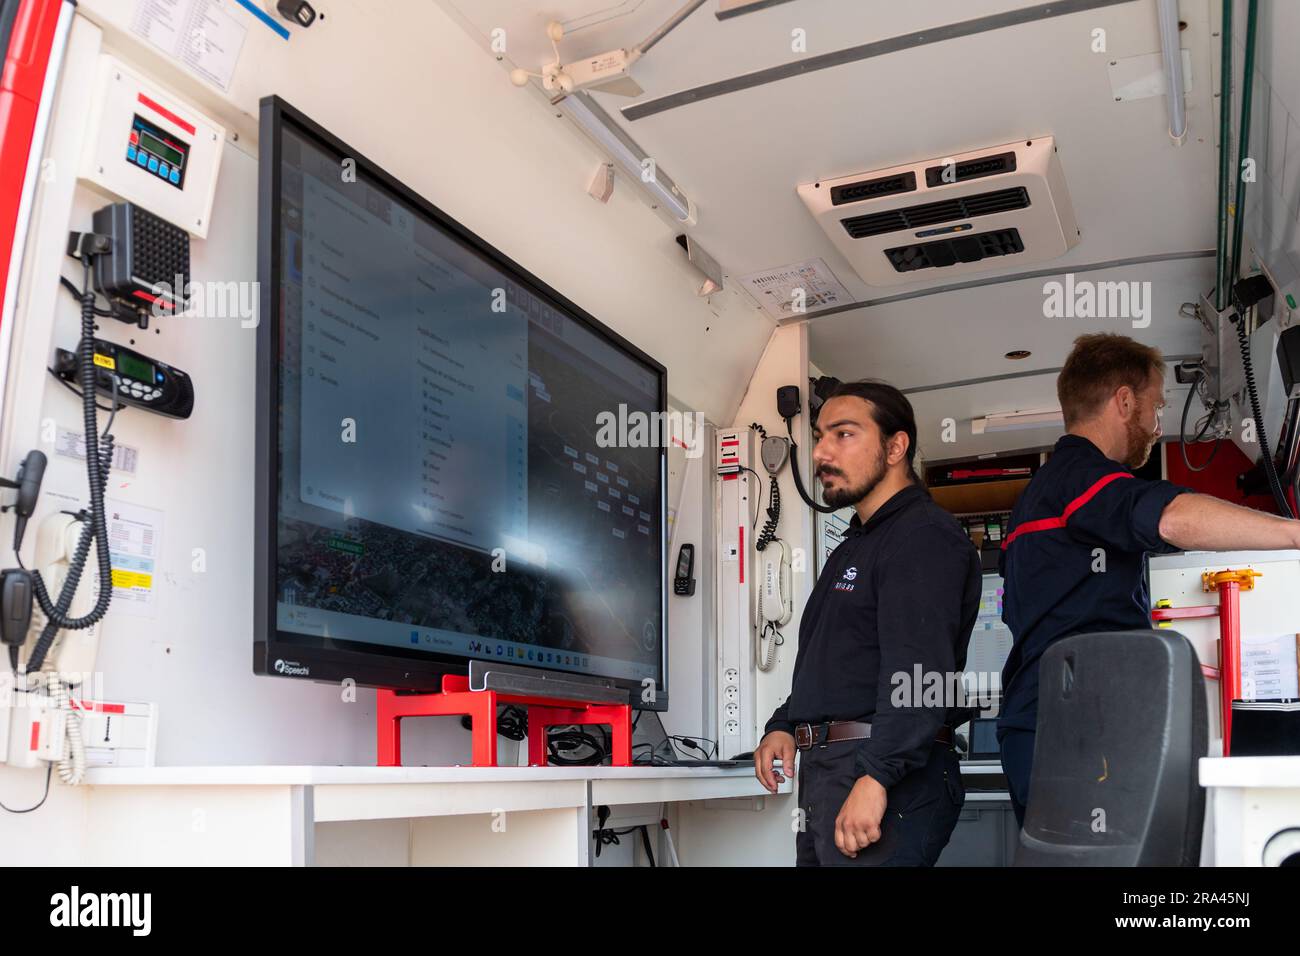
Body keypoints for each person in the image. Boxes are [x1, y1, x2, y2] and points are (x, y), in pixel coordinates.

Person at [999, 333, 1300, 826]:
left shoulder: (1046, 491)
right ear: (1124, 401)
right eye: (1157, 407)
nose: (1159, 426)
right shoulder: (1080, 477)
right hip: (1075, 722)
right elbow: (1169, 517)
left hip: (1052, 717)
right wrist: (1293, 535)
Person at [753, 380, 981, 866]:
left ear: (895, 446)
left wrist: (877, 777)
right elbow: (836, 664)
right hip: (832, 772)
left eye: (843, 434)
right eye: (819, 436)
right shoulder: (856, 544)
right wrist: (784, 726)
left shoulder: (922, 538)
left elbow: (921, 674)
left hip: (882, 770)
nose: (820, 452)